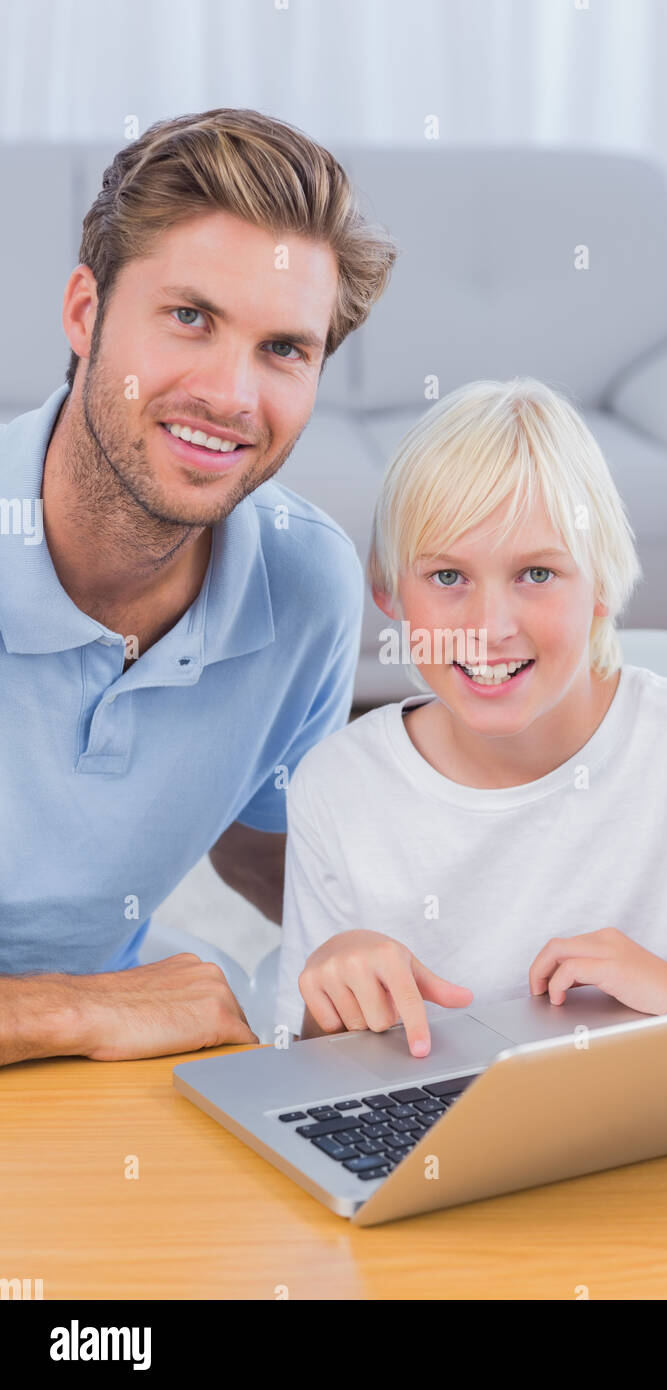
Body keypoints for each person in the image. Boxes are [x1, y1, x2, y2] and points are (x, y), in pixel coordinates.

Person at [275, 376, 667, 1057]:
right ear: (388, 593)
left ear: (604, 586)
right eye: (447, 578)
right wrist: (333, 997)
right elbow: (305, 1064)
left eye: (536, 574)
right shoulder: (338, 786)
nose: (490, 628)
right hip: (451, 1158)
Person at [0, 107, 398, 1067]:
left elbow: (267, 848)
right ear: (85, 313)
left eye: (284, 350)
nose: (231, 396)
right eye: (191, 318)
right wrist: (69, 1009)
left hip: (105, 1088)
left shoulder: (306, 582)